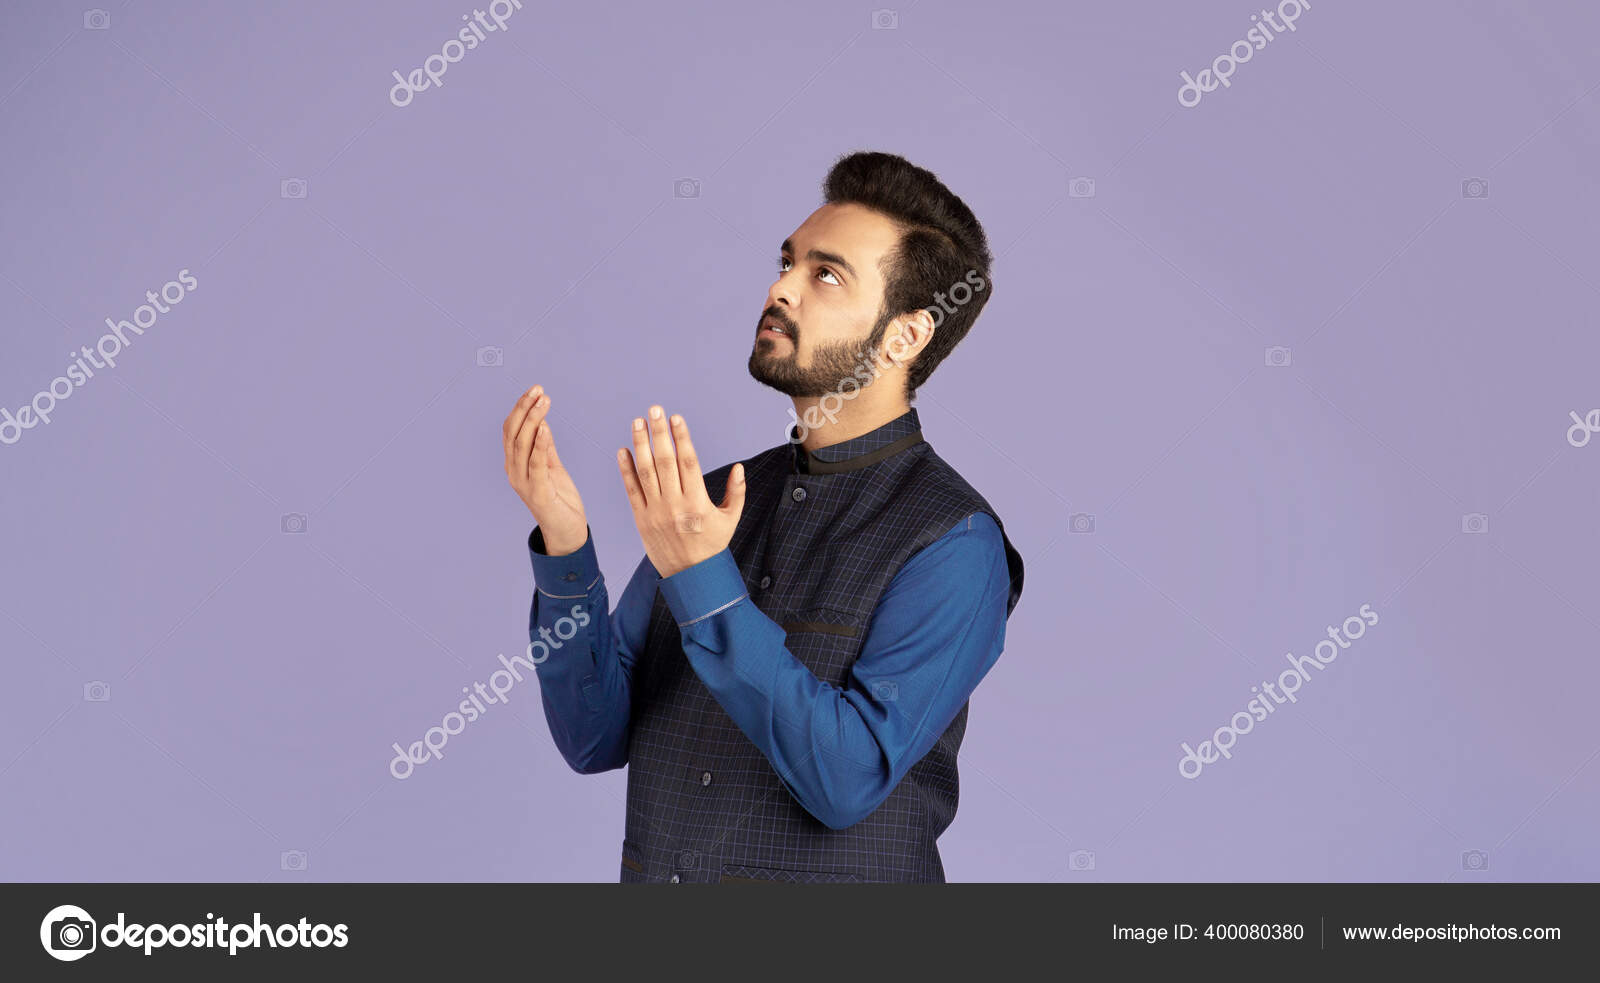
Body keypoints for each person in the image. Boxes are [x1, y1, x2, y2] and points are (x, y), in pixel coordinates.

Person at [502, 151, 1023, 883]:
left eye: (826, 275)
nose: (781, 288)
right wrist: (565, 544)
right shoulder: (712, 503)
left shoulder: (955, 542)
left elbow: (845, 777)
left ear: (905, 335)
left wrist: (705, 582)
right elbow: (593, 734)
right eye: (788, 262)